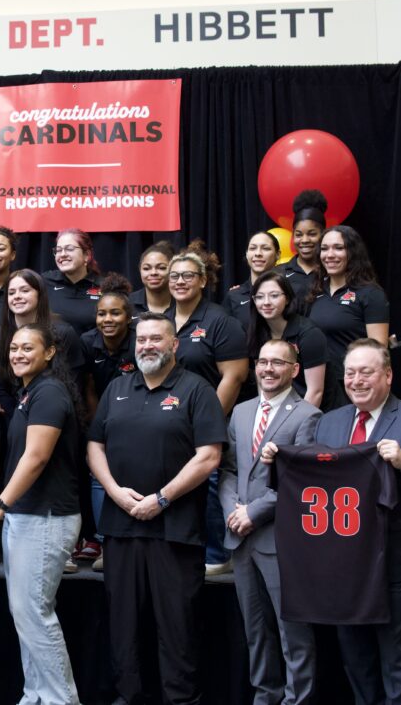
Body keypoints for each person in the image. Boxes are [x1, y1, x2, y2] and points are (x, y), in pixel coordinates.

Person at [262, 339, 401, 705]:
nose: (356, 380)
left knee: (400, 666)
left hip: (399, 567)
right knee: (357, 664)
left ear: (387, 375)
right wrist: (278, 460)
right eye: (351, 373)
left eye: (366, 372)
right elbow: (310, 476)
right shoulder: (329, 422)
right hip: (345, 569)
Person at [86, 312, 225, 705]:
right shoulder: (117, 388)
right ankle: (128, 697)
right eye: (141, 339)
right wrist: (112, 490)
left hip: (175, 529)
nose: (147, 345)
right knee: (123, 628)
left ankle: (181, 700)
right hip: (121, 526)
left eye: (156, 339)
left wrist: (161, 498)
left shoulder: (197, 390)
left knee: (177, 628)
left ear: (174, 344)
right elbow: (94, 446)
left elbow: (209, 456)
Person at [0, 325, 83, 705]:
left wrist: (0, 504)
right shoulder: (30, 391)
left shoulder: (49, 392)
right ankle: (35, 695)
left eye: (27, 348)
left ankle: (60, 700)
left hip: (45, 517)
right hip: (28, 515)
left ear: (50, 352)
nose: (17, 354)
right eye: (14, 348)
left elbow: (36, 457)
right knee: (25, 615)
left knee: (35, 613)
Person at [218, 339, 320, 705]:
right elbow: (228, 469)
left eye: (278, 363)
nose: (268, 369)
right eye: (262, 362)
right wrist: (234, 509)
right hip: (241, 537)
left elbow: (301, 481)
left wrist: (253, 512)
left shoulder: (307, 415)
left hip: (280, 540)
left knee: (292, 632)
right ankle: (266, 696)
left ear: (294, 369)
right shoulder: (242, 412)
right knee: (255, 631)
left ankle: (298, 700)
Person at [167, 245, 248, 575]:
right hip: (170, 420)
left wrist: (206, 422)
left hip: (206, 423)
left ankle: (218, 554)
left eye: (188, 275)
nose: (180, 281)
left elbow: (235, 375)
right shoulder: (162, 320)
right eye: (175, 276)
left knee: (211, 483)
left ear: (203, 281)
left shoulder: (219, 321)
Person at [77, 273, 138, 569]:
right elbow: (88, 387)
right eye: (102, 313)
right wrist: (100, 425)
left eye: (115, 313)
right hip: (101, 418)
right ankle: (103, 542)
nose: (108, 319)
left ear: (129, 317)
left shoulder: (139, 341)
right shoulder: (88, 342)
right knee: (99, 477)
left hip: (137, 420)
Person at [306, 226, 390, 411]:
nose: (330, 254)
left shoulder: (370, 294)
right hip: (318, 387)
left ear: (352, 252)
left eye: (338, 247)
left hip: (354, 388)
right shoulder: (315, 292)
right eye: (325, 248)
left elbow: (377, 351)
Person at [0, 269, 85, 418]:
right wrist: (20, 419)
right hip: (15, 419)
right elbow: (0, 389)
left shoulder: (64, 333)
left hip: (58, 417)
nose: (17, 296)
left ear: (40, 294)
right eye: (11, 293)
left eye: (25, 290)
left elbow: (75, 383)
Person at [247, 271, 327, 407]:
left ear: (288, 298)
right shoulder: (257, 332)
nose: (266, 302)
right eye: (260, 297)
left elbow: (315, 391)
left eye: (274, 296)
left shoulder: (309, 333)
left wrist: (296, 425)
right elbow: (263, 384)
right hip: (281, 409)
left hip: (315, 412)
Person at [42, 228, 102, 335]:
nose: (63, 254)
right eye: (58, 250)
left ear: (86, 255)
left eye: (69, 249)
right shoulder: (44, 282)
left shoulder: (105, 286)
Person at [278, 190, 327, 311]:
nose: (304, 240)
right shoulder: (279, 274)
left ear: (323, 234)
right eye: (299, 234)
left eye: (312, 234)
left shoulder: (333, 272)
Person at [225, 231, 281, 330]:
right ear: (247, 254)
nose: (258, 253)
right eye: (252, 248)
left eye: (266, 248)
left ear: (278, 254)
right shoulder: (234, 296)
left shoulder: (287, 292)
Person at [129, 241, 174, 317]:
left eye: (161, 268)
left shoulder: (183, 302)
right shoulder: (126, 303)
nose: (153, 273)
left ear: (173, 269)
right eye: (146, 268)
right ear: (140, 270)